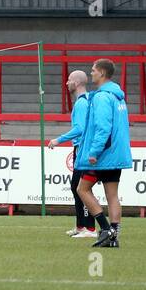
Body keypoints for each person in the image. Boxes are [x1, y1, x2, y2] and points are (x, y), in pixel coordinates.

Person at [75, 58, 132, 248]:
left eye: (93, 70)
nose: (91, 73)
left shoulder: (101, 97)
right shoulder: (118, 96)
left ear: (101, 73)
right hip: (116, 154)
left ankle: (105, 229)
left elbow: (103, 128)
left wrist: (94, 152)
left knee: (82, 189)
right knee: (112, 196)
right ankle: (114, 237)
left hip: (103, 155)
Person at [47, 70, 94, 237]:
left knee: (81, 188)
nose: (66, 83)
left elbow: (80, 128)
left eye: (69, 80)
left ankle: (89, 228)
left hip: (82, 149)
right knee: (78, 188)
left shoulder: (81, 103)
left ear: (77, 83)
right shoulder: (87, 101)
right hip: (83, 149)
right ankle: (82, 226)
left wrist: (58, 140)